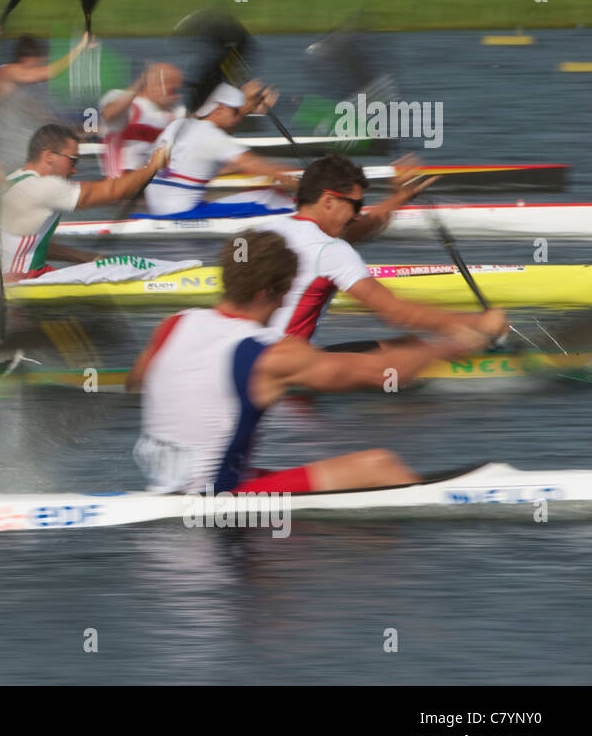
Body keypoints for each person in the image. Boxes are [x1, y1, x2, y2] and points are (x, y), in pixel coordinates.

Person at [126, 231, 498, 495]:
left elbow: (135, 384)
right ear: (269, 293)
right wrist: (455, 343)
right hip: (211, 498)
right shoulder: (270, 353)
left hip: (171, 483)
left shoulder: (173, 325)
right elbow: (381, 373)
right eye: (285, 292)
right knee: (380, 466)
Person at [255, 153, 507, 345]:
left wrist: (398, 198)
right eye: (355, 205)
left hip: (246, 357)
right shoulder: (333, 251)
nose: (358, 214)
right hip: (285, 367)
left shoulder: (268, 230)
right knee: (410, 348)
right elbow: (397, 313)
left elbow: (357, 229)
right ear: (328, 201)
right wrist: (476, 322)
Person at [0, 124, 198, 284]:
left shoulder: (13, 179)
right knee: (126, 265)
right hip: (19, 282)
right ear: (49, 156)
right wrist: (153, 165)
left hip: (8, 278)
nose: (75, 170)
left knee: (107, 265)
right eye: (73, 161)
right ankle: (191, 277)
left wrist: (85, 256)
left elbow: (27, 245)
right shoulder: (43, 187)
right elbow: (114, 191)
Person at [144, 81, 299, 217]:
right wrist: (304, 187)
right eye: (236, 112)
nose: (239, 118)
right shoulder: (211, 135)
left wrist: (245, 104)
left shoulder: (178, 125)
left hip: (158, 210)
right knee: (269, 197)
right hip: (183, 214)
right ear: (219, 109)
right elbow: (257, 165)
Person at [98, 62, 185, 177]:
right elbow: (109, 114)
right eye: (172, 90)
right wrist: (139, 84)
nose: (176, 97)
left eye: (177, 91)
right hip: (122, 182)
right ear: (154, 84)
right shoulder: (126, 103)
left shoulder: (177, 111)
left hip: (156, 182)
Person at [0, 33, 91, 103]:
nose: (41, 64)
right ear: (30, 57)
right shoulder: (10, 71)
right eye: (40, 59)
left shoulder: (15, 75)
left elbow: (25, 108)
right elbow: (51, 72)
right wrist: (80, 47)